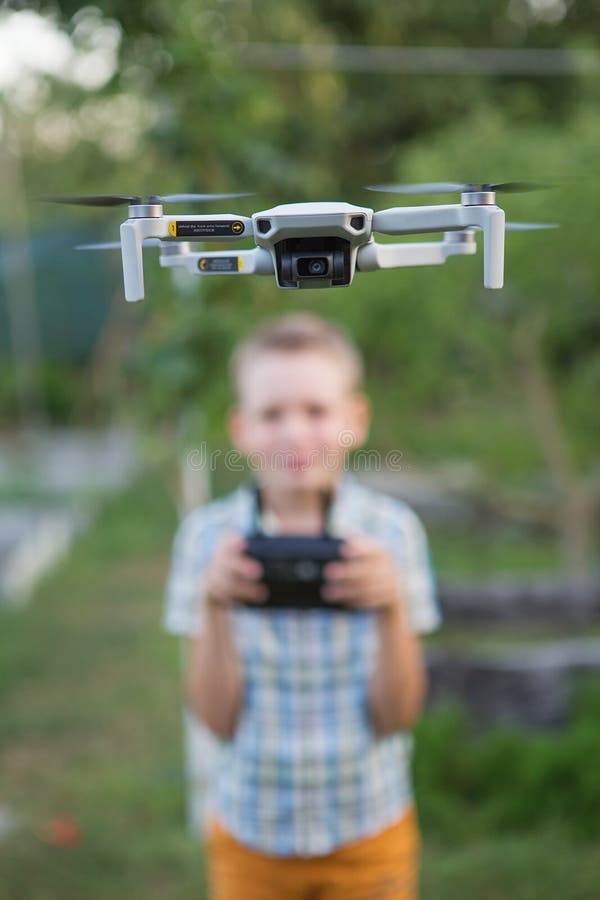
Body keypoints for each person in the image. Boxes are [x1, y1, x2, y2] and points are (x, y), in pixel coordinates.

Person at [163, 312, 442, 900]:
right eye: (271, 413)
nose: (294, 433)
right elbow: (216, 719)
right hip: (249, 836)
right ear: (240, 428)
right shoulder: (205, 540)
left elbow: (398, 714)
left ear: (355, 420)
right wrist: (214, 603)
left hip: (371, 830)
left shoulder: (394, 534)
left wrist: (392, 606)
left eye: (316, 411)